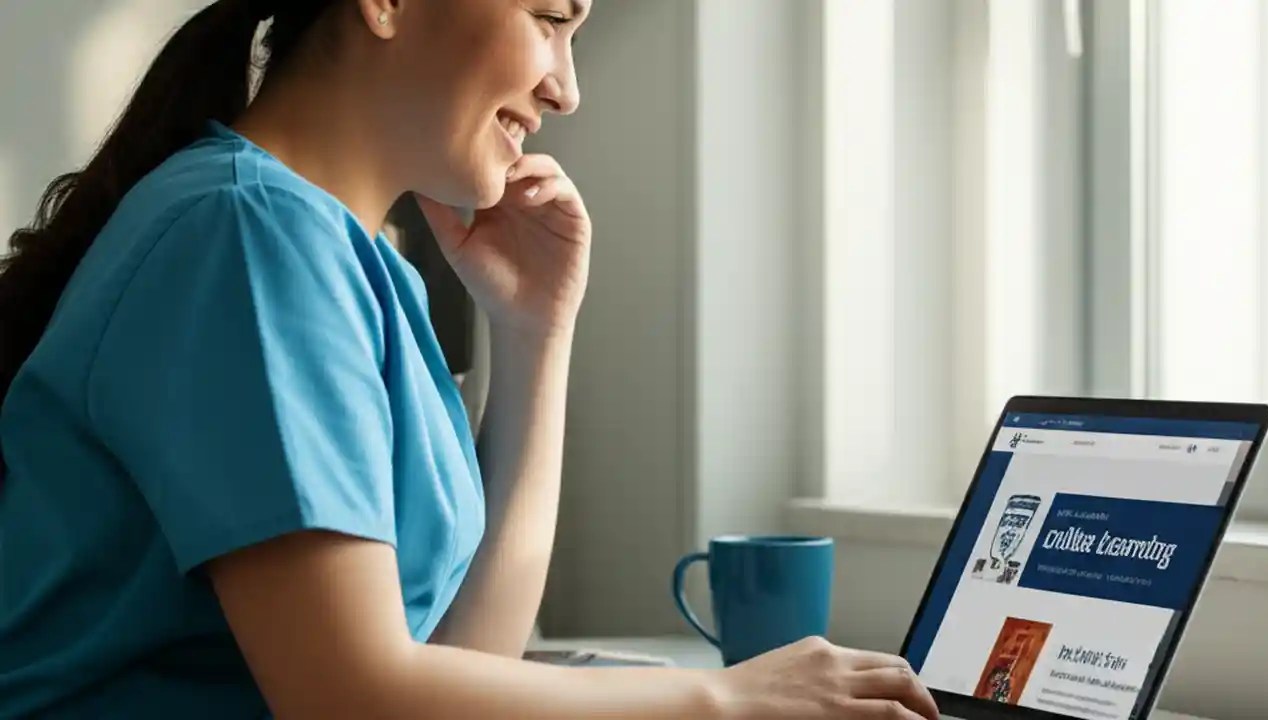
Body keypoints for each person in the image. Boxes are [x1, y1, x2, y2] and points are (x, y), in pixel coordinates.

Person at [0, 2, 941, 719]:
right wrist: (721, 699)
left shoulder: (353, 261)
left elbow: (464, 659)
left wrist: (536, 333)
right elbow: (348, 695)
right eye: (550, 19)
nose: (565, 88)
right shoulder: (247, 232)